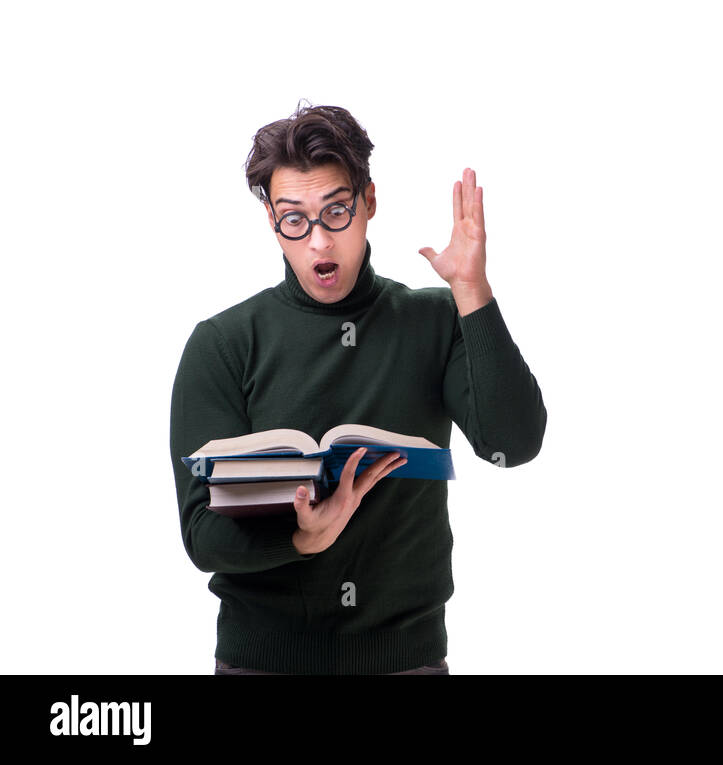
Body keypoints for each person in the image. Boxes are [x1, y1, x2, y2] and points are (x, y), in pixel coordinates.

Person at [169, 103, 546, 674]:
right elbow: (202, 534)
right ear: (270, 217)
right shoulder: (222, 343)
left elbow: (513, 444)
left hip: (406, 661)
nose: (319, 242)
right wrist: (301, 541)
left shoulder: (433, 320)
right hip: (261, 663)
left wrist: (472, 292)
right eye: (294, 219)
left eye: (336, 212)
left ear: (369, 202)